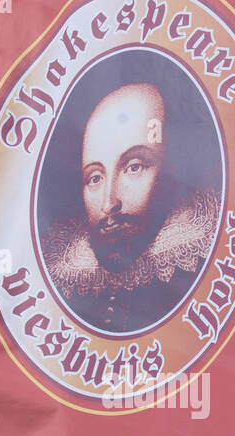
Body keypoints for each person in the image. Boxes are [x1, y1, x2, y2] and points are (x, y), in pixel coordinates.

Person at [42, 82, 220, 333]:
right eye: (95, 178)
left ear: (174, 169)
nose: (109, 203)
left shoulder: (205, 265)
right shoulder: (65, 278)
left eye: (133, 166)